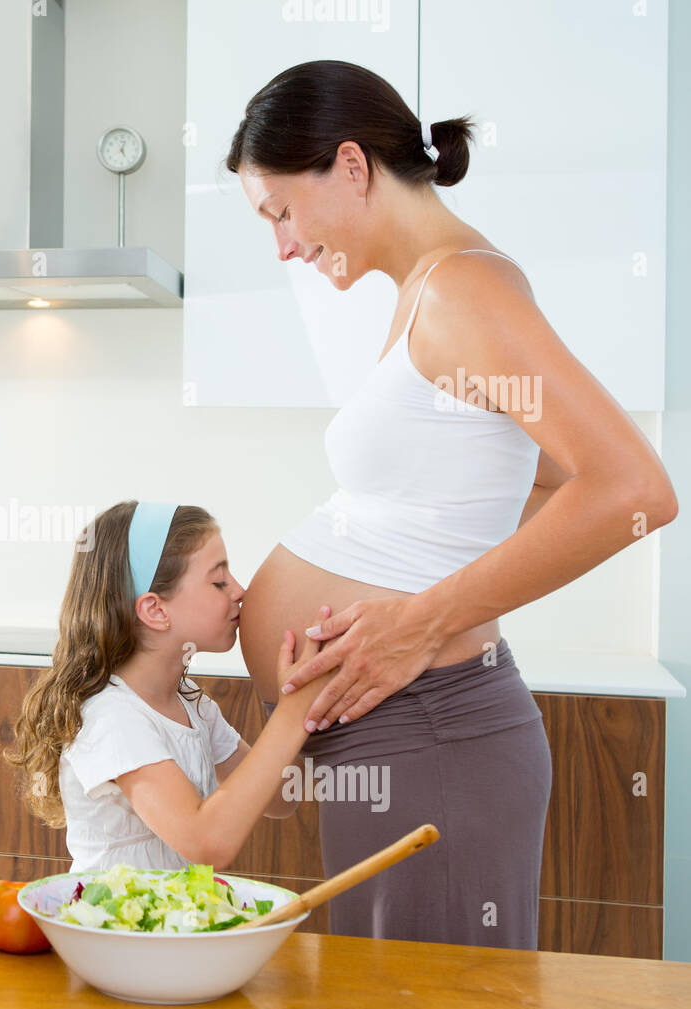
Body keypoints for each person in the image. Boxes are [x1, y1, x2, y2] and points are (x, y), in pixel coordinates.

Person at [225, 61, 678, 949]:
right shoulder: (429, 291)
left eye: (281, 211)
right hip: (398, 727)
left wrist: (421, 621)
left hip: (430, 726)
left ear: (350, 165)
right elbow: (544, 476)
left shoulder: (465, 288)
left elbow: (634, 490)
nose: (282, 246)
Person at [4, 499, 333, 873]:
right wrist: (292, 715)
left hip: (166, 926)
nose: (240, 590)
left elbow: (280, 798)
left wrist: (301, 699)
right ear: (156, 610)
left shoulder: (194, 708)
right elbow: (206, 842)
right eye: (219, 580)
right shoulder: (111, 717)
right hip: (114, 927)